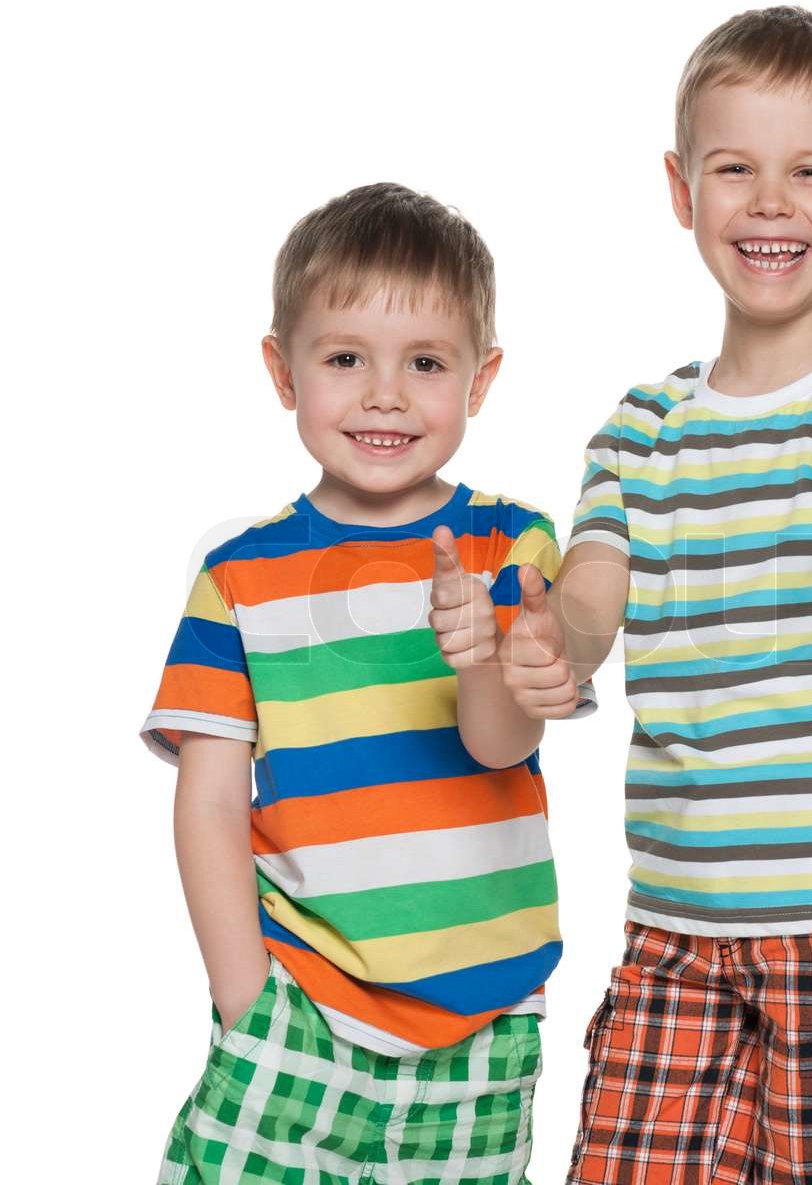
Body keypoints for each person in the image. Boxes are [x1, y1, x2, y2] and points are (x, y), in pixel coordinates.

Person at [500, 6, 812, 1183]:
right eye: (736, 170)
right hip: (670, 936)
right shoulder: (640, 430)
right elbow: (590, 604)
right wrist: (544, 638)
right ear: (681, 189)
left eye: (808, 173)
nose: (771, 205)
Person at [142, 182, 590, 1183]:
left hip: (483, 1025)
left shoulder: (511, 545)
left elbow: (499, 744)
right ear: (282, 369)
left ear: (480, 379)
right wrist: (242, 994)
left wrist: (483, 654)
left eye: (425, 363)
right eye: (345, 358)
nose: (384, 395)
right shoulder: (239, 577)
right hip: (297, 1005)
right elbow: (210, 796)